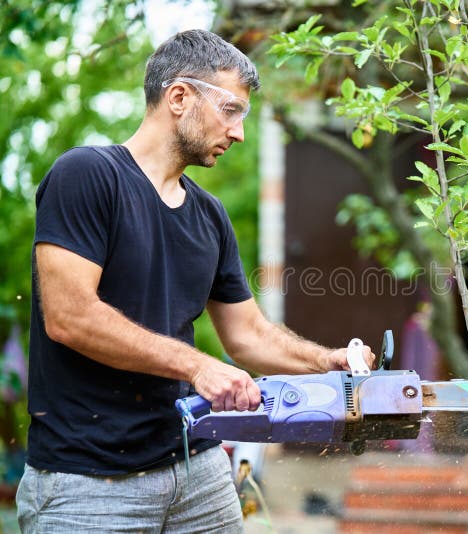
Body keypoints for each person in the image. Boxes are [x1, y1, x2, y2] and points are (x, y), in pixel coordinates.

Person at [16, 29, 374, 533]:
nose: (239, 132)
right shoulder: (87, 176)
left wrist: (325, 361)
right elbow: (69, 315)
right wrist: (197, 366)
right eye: (231, 110)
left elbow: (246, 335)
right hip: (87, 484)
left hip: (196, 469)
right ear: (179, 97)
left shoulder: (208, 214)